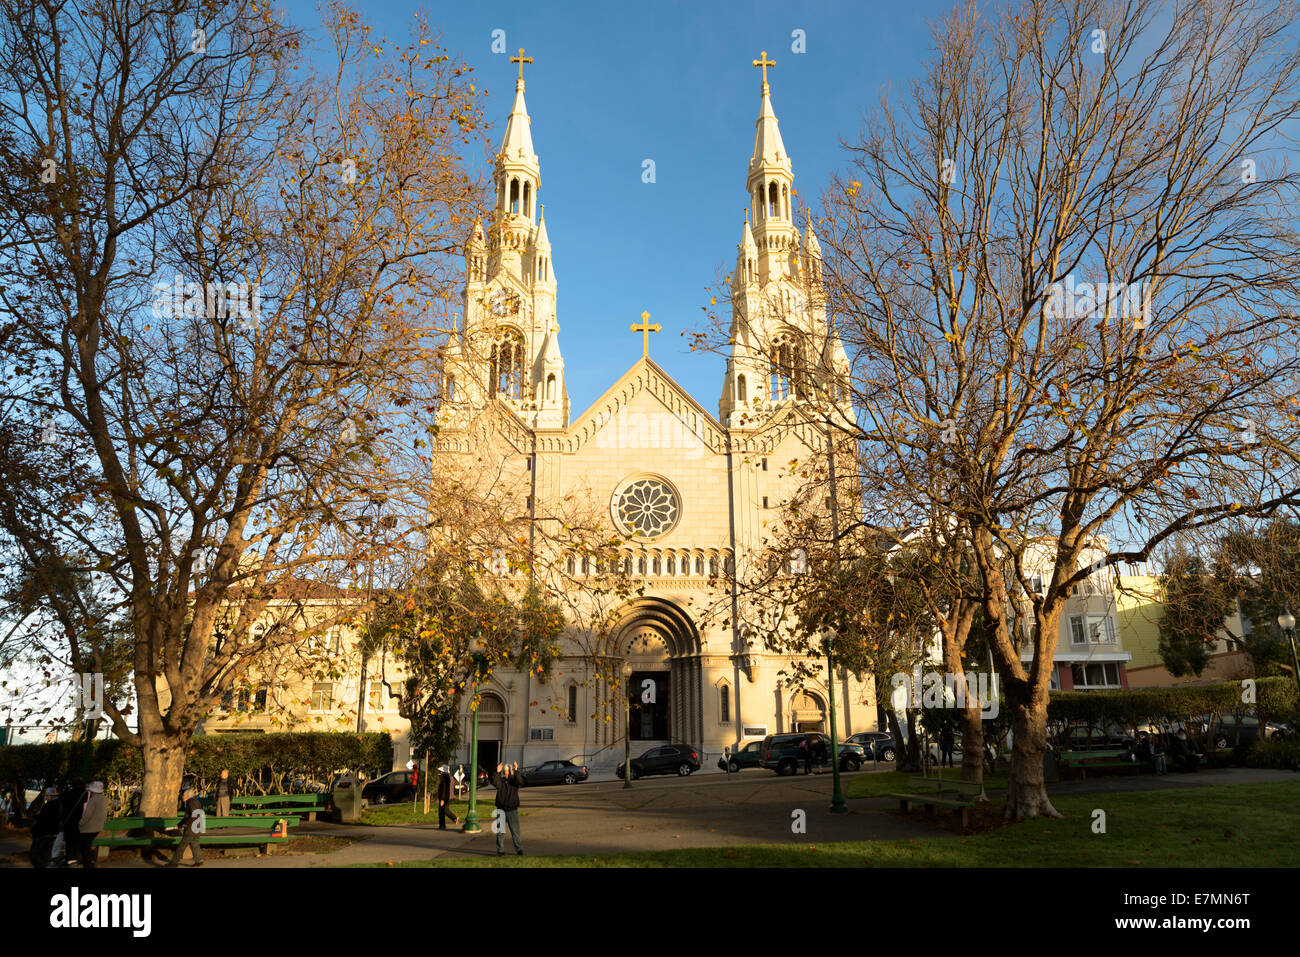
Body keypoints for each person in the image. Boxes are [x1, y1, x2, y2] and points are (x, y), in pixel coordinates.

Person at [488, 762, 523, 857]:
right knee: (500, 832)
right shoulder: (501, 781)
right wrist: (497, 772)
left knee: (515, 831)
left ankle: (519, 849)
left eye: (506, 771)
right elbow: (494, 782)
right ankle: (500, 850)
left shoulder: (514, 781)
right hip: (501, 809)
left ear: (510, 772)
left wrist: (516, 770)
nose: (505, 773)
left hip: (512, 809)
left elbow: (520, 781)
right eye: (504, 772)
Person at [167, 787, 204, 867]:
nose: (182, 796)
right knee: (194, 843)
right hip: (198, 826)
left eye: (183, 795)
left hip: (192, 828)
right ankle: (198, 861)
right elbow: (190, 816)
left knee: (182, 845)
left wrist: (186, 824)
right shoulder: (196, 801)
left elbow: (193, 816)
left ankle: (174, 862)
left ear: (187, 796)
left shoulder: (190, 803)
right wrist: (179, 824)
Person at [78, 781, 108, 868]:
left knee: (85, 847)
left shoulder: (93, 800)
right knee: (88, 846)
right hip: (98, 827)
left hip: (88, 828)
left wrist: (80, 823)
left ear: (93, 791)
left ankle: (88, 864)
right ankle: (90, 863)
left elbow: (87, 815)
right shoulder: (104, 799)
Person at [30, 787, 62, 868]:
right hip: (53, 833)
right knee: (46, 854)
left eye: (47, 796)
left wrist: (35, 829)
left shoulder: (49, 805)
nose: (46, 797)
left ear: (51, 796)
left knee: (35, 855)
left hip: (44, 833)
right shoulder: (59, 805)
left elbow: (44, 820)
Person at [60, 778, 87, 867]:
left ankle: (69, 859)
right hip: (81, 822)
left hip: (68, 822)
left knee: (69, 842)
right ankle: (77, 859)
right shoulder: (87, 795)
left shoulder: (68, 793)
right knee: (78, 841)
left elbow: (61, 803)